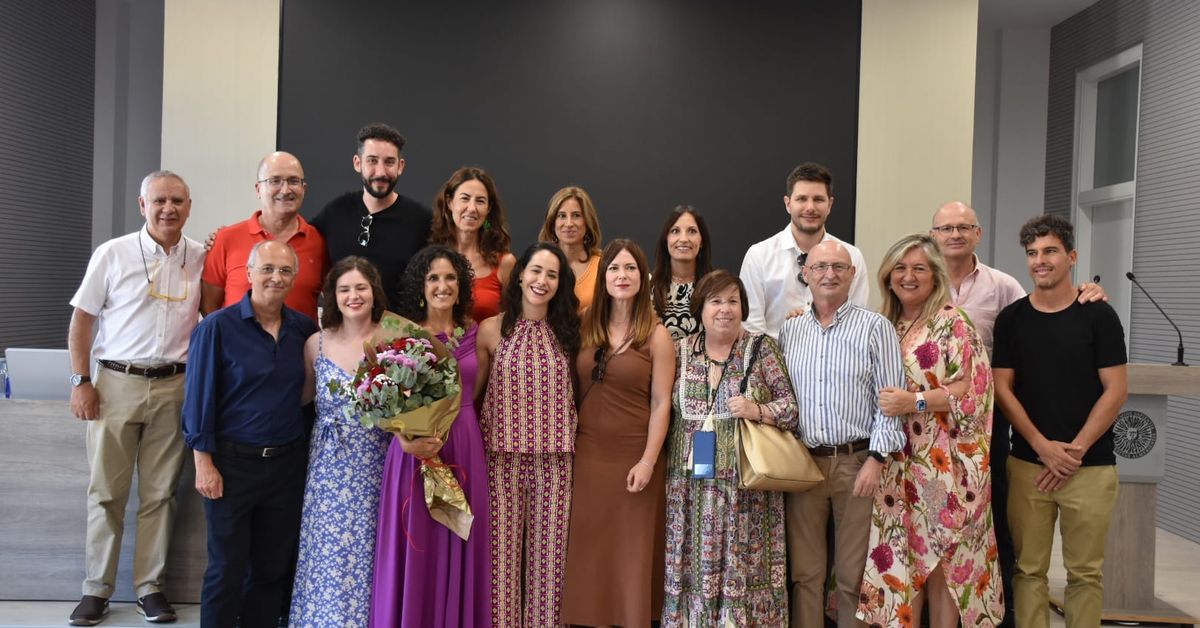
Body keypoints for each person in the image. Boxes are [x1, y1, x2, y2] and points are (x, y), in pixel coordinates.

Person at [928, 200, 1107, 627]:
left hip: (987, 421)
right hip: (926, 425)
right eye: (945, 228)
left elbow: (1045, 309)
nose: (954, 234)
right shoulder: (918, 281)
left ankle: (999, 614)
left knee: (994, 516)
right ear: (933, 234)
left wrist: (1088, 293)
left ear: (978, 233)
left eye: (963, 227)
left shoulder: (1002, 287)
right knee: (932, 521)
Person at [66, 170, 204, 625]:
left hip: (175, 385)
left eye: (177, 201)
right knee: (106, 492)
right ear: (142, 206)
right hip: (116, 385)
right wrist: (80, 380)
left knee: (161, 494)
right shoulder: (113, 253)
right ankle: (96, 590)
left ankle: (150, 589)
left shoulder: (202, 257)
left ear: (189, 205)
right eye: (160, 200)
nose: (169, 209)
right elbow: (83, 320)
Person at [856, 234, 1004, 627]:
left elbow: (972, 390)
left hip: (944, 466)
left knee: (942, 560)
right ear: (888, 277)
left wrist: (915, 400)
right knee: (902, 559)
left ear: (935, 275)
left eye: (919, 268)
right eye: (900, 269)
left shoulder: (952, 322)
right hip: (893, 463)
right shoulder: (882, 324)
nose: (909, 276)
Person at [992, 215, 1127, 628]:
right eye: (1032, 253)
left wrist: (1073, 452)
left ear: (1071, 257)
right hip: (1029, 464)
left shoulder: (1099, 316)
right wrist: (1043, 447)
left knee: (1085, 574)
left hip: (1091, 467)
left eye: (1049, 251)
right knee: (1027, 570)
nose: (1040, 261)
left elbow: (1116, 390)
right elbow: (1003, 390)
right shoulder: (1011, 319)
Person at [182, 240, 319, 628]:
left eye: (285, 271)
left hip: (285, 466)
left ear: (294, 278)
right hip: (230, 466)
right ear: (248, 273)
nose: (276, 277)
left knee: (271, 569)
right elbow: (198, 401)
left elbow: (310, 397)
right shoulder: (217, 328)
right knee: (226, 568)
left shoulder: (304, 330)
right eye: (268, 269)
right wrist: (203, 463)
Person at [775, 240, 905, 628]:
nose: (828, 274)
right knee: (805, 575)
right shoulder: (790, 331)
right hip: (804, 467)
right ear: (805, 274)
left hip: (856, 464)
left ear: (852, 275)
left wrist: (876, 460)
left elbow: (890, 402)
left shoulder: (875, 328)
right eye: (819, 267)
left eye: (838, 267)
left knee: (851, 577)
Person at [661, 270, 798, 626]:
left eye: (733, 301)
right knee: (692, 574)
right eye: (716, 301)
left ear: (743, 307)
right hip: (689, 491)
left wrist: (758, 410)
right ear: (700, 308)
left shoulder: (761, 347)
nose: (725, 309)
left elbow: (792, 409)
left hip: (746, 494)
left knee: (745, 576)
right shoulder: (678, 350)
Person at [371, 245, 491, 627]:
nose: (443, 285)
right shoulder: (400, 335)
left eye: (451, 277)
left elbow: (475, 393)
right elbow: (381, 400)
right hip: (413, 452)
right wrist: (405, 440)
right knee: (416, 545)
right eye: (434, 278)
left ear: (462, 285)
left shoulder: (476, 332)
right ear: (420, 286)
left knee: (458, 540)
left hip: (465, 446)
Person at [561, 239, 675, 627]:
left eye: (629, 269)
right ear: (602, 276)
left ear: (642, 278)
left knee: (630, 554)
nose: (621, 276)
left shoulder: (656, 334)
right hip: (588, 454)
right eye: (613, 269)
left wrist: (647, 461)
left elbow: (662, 403)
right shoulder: (585, 322)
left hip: (635, 459)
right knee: (589, 551)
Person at [476, 243, 581, 626]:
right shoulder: (491, 330)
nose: (542, 281)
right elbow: (476, 395)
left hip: (555, 463)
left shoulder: (571, 333)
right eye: (536, 271)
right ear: (520, 274)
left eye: (552, 274)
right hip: (501, 460)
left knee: (550, 565)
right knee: (500, 562)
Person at [288, 257, 392, 626]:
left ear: (374, 291)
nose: (353, 296)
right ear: (333, 295)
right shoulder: (315, 343)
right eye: (344, 289)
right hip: (329, 467)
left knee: (371, 548)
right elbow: (303, 400)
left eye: (361, 287)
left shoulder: (393, 339)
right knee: (329, 550)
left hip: (378, 463)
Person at [740, 162, 869, 339]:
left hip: (835, 362)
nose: (810, 207)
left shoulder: (852, 257)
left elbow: (858, 321)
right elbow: (751, 328)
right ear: (788, 204)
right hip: (772, 362)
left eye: (818, 199)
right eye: (801, 199)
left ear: (830, 204)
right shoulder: (759, 256)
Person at [310, 123, 433, 307]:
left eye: (389, 162)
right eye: (372, 161)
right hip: (343, 330)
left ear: (400, 166)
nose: (381, 172)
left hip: (398, 332)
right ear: (357, 163)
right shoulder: (335, 213)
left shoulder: (421, 221)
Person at [201, 151, 328, 321]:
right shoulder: (226, 239)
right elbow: (209, 307)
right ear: (258, 189)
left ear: (303, 189)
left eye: (293, 181)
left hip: (300, 346)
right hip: (238, 346)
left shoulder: (320, 243)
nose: (285, 189)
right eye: (275, 181)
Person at [429, 167, 516, 321]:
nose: (472, 208)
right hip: (437, 345)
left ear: (488, 208)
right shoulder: (430, 257)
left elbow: (513, 320)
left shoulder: (505, 263)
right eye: (465, 198)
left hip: (489, 345)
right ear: (450, 202)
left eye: (480, 201)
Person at [651, 205, 714, 339]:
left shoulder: (716, 287)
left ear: (702, 241)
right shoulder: (648, 289)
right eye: (675, 231)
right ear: (666, 239)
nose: (684, 239)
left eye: (692, 231)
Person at [538, 186, 602, 311]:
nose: (568, 224)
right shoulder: (537, 264)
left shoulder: (603, 266)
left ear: (588, 221)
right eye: (561, 216)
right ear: (552, 222)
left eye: (576, 215)